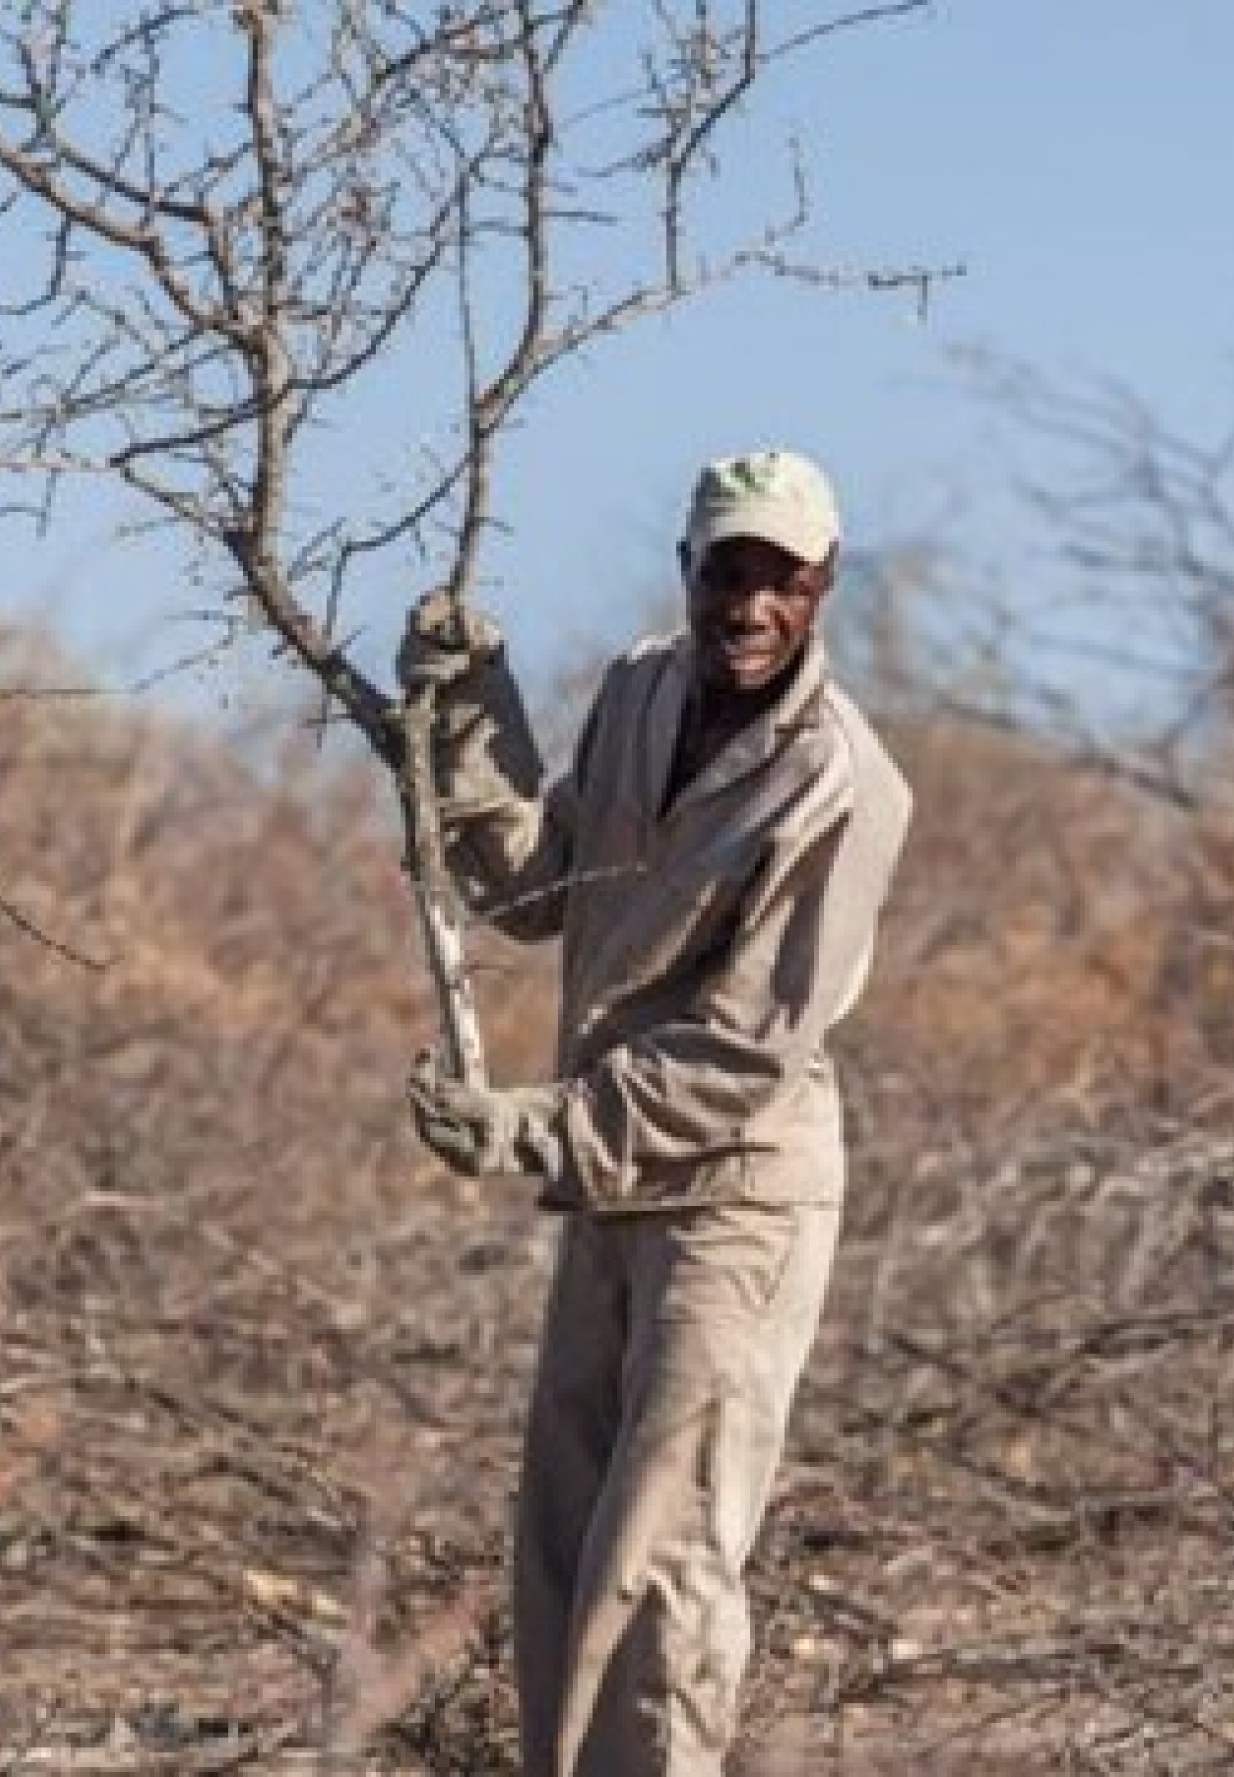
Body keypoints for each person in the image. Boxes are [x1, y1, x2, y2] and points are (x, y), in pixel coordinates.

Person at [398, 447, 911, 1776]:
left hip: (736, 1191)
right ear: (687, 569)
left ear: (825, 583)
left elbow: (746, 1047)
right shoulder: (636, 692)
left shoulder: (844, 785)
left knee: (663, 1559)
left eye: (781, 578)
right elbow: (529, 886)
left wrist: (540, 1127)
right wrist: (466, 714)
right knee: (565, 1541)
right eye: (727, 569)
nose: (749, 602)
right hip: (613, 1174)